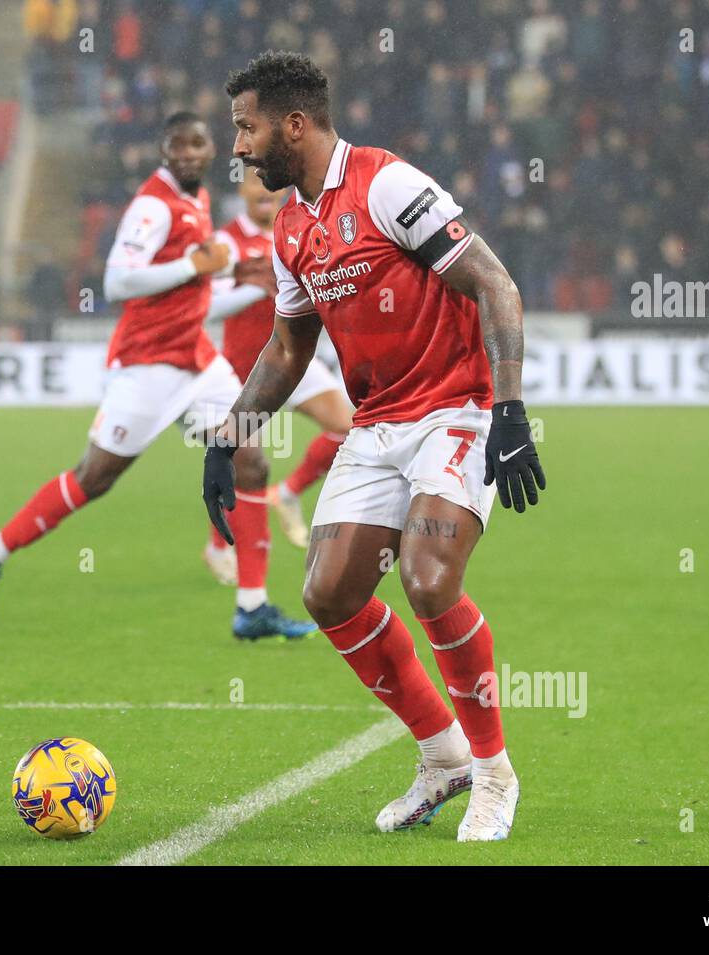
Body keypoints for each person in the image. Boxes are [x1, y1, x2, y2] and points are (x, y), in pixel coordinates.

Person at [203, 52, 546, 841]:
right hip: (379, 421)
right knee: (328, 593)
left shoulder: (387, 185)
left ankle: (495, 773)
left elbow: (496, 284)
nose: (240, 148)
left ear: (295, 124)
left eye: (246, 128)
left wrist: (510, 409)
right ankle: (443, 758)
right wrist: (228, 437)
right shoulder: (293, 226)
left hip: (456, 410)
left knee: (428, 578)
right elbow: (289, 350)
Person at [0, 111, 314, 641]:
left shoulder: (196, 198)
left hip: (195, 359)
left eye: (199, 144)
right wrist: (197, 266)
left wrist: (232, 270)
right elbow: (119, 280)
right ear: (164, 151)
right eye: (179, 146)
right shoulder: (153, 204)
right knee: (95, 477)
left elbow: (191, 266)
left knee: (251, 461)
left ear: (211, 150)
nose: (190, 154)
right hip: (148, 363)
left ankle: (252, 606)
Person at [201, 171, 354, 587]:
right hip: (246, 369)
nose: (264, 193)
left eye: (271, 187)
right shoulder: (225, 242)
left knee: (349, 428)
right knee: (238, 459)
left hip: (295, 357)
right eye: (254, 185)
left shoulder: (298, 228)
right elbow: (206, 309)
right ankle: (218, 546)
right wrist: (255, 289)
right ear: (241, 190)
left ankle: (288, 493)